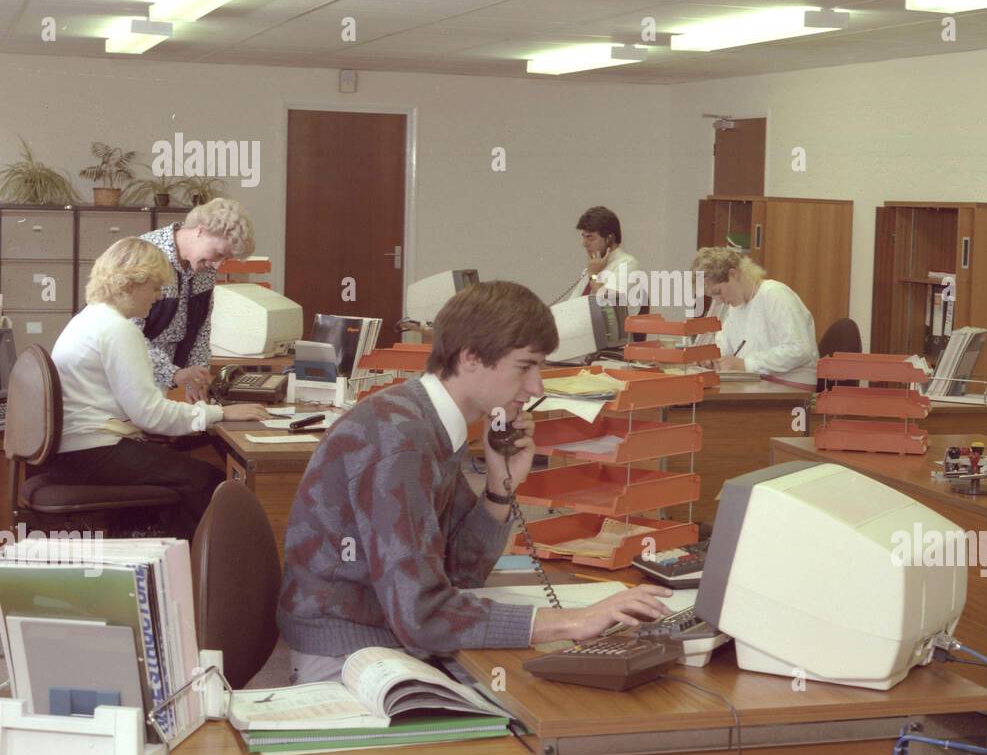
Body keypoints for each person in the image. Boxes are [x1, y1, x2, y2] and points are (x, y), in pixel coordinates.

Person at [277, 280, 672, 684]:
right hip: (348, 653)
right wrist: (572, 621)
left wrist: (499, 488)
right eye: (525, 367)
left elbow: (459, 575)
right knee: (536, 700)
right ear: (470, 358)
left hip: (387, 633)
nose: (536, 387)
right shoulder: (402, 442)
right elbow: (422, 615)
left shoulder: (428, 421)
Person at [48, 238, 267, 537]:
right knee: (210, 481)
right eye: (154, 287)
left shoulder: (88, 319)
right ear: (131, 284)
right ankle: (191, 563)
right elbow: (149, 415)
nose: (158, 297)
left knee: (177, 466)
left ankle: (159, 548)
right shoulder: (118, 330)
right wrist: (220, 413)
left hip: (73, 453)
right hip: (92, 452)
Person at [137, 198, 256, 401]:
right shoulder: (145, 256)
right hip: (127, 376)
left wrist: (196, 378)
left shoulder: (204, 268)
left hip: (161, 379)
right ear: (200, 230)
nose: (218, 265)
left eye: (226, 258)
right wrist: (174, 373)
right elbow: (128, 337)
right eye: (219, 253)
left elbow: (201, 328)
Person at [690, 247, 819, 389]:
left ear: (733, 274)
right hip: (755, 381)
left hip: (791, 386)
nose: (719, 301)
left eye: (718, 291)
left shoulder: (775, 294)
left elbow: (799, 349)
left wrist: (747, 364)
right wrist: (712, 359)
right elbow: (725, 348)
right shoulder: (735, 307)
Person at [564, 206, 639, 301]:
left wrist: (594, 275)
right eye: (584, 237)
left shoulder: (627, 264)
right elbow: (571, 304)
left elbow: (608, 305)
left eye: (590, 238)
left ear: (609, 239)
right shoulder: (594, 266)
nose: (584, 244)